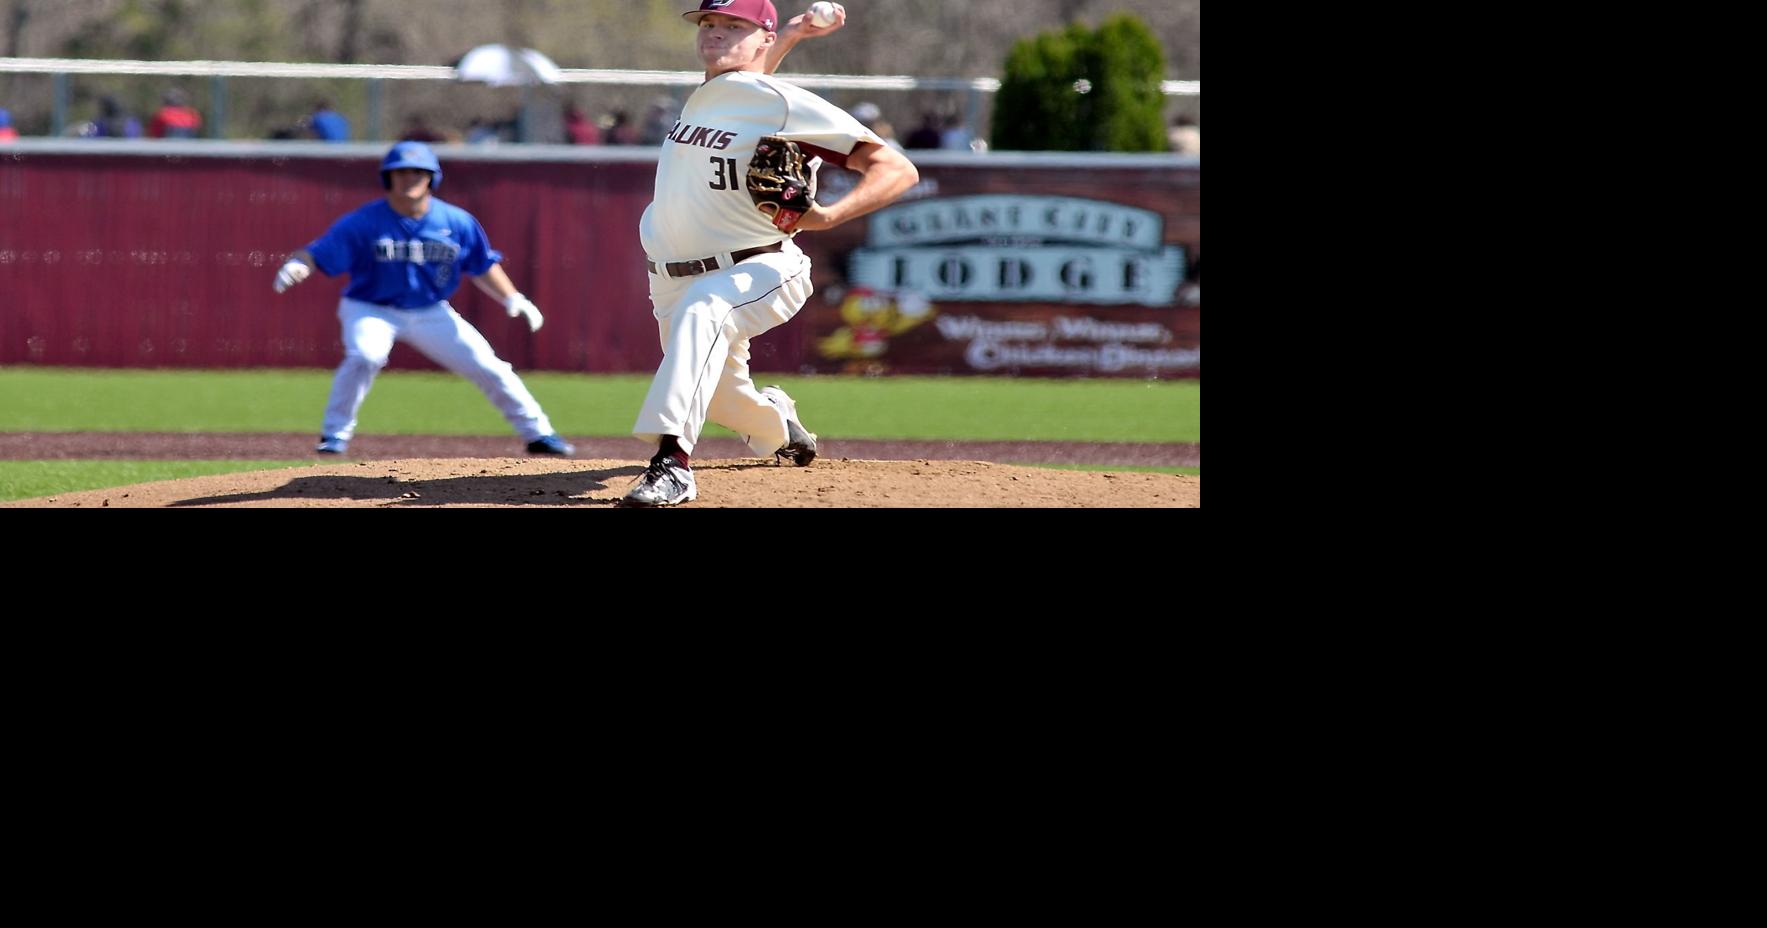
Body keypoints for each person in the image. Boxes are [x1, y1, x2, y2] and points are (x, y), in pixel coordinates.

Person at [620, 0, 917, 507]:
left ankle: (672, 466)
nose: (714, 33)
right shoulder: (714, 93)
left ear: (759, 37)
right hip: (671, 278)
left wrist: (827, 217)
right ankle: (780, 426)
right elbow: (751, 88)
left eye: (732, 25)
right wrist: (793, 34)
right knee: (720, 396)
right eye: (709, 23)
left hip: (758, 265)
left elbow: (897, 169)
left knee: (705, 310)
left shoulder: (783, 101)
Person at [269, 141, 574, 458]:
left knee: (488, 365)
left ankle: (540, 433)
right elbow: (317, 252)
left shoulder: (455, 221)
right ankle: (334, 435)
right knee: (365, 356)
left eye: (418, 172)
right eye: (400, 172)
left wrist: (513, 297)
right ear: (388, 177)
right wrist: (298, 264)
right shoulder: (364, 222)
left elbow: (482, 264)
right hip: (371, 308)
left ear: (432, 178)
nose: (409, 178)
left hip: (430, 310)